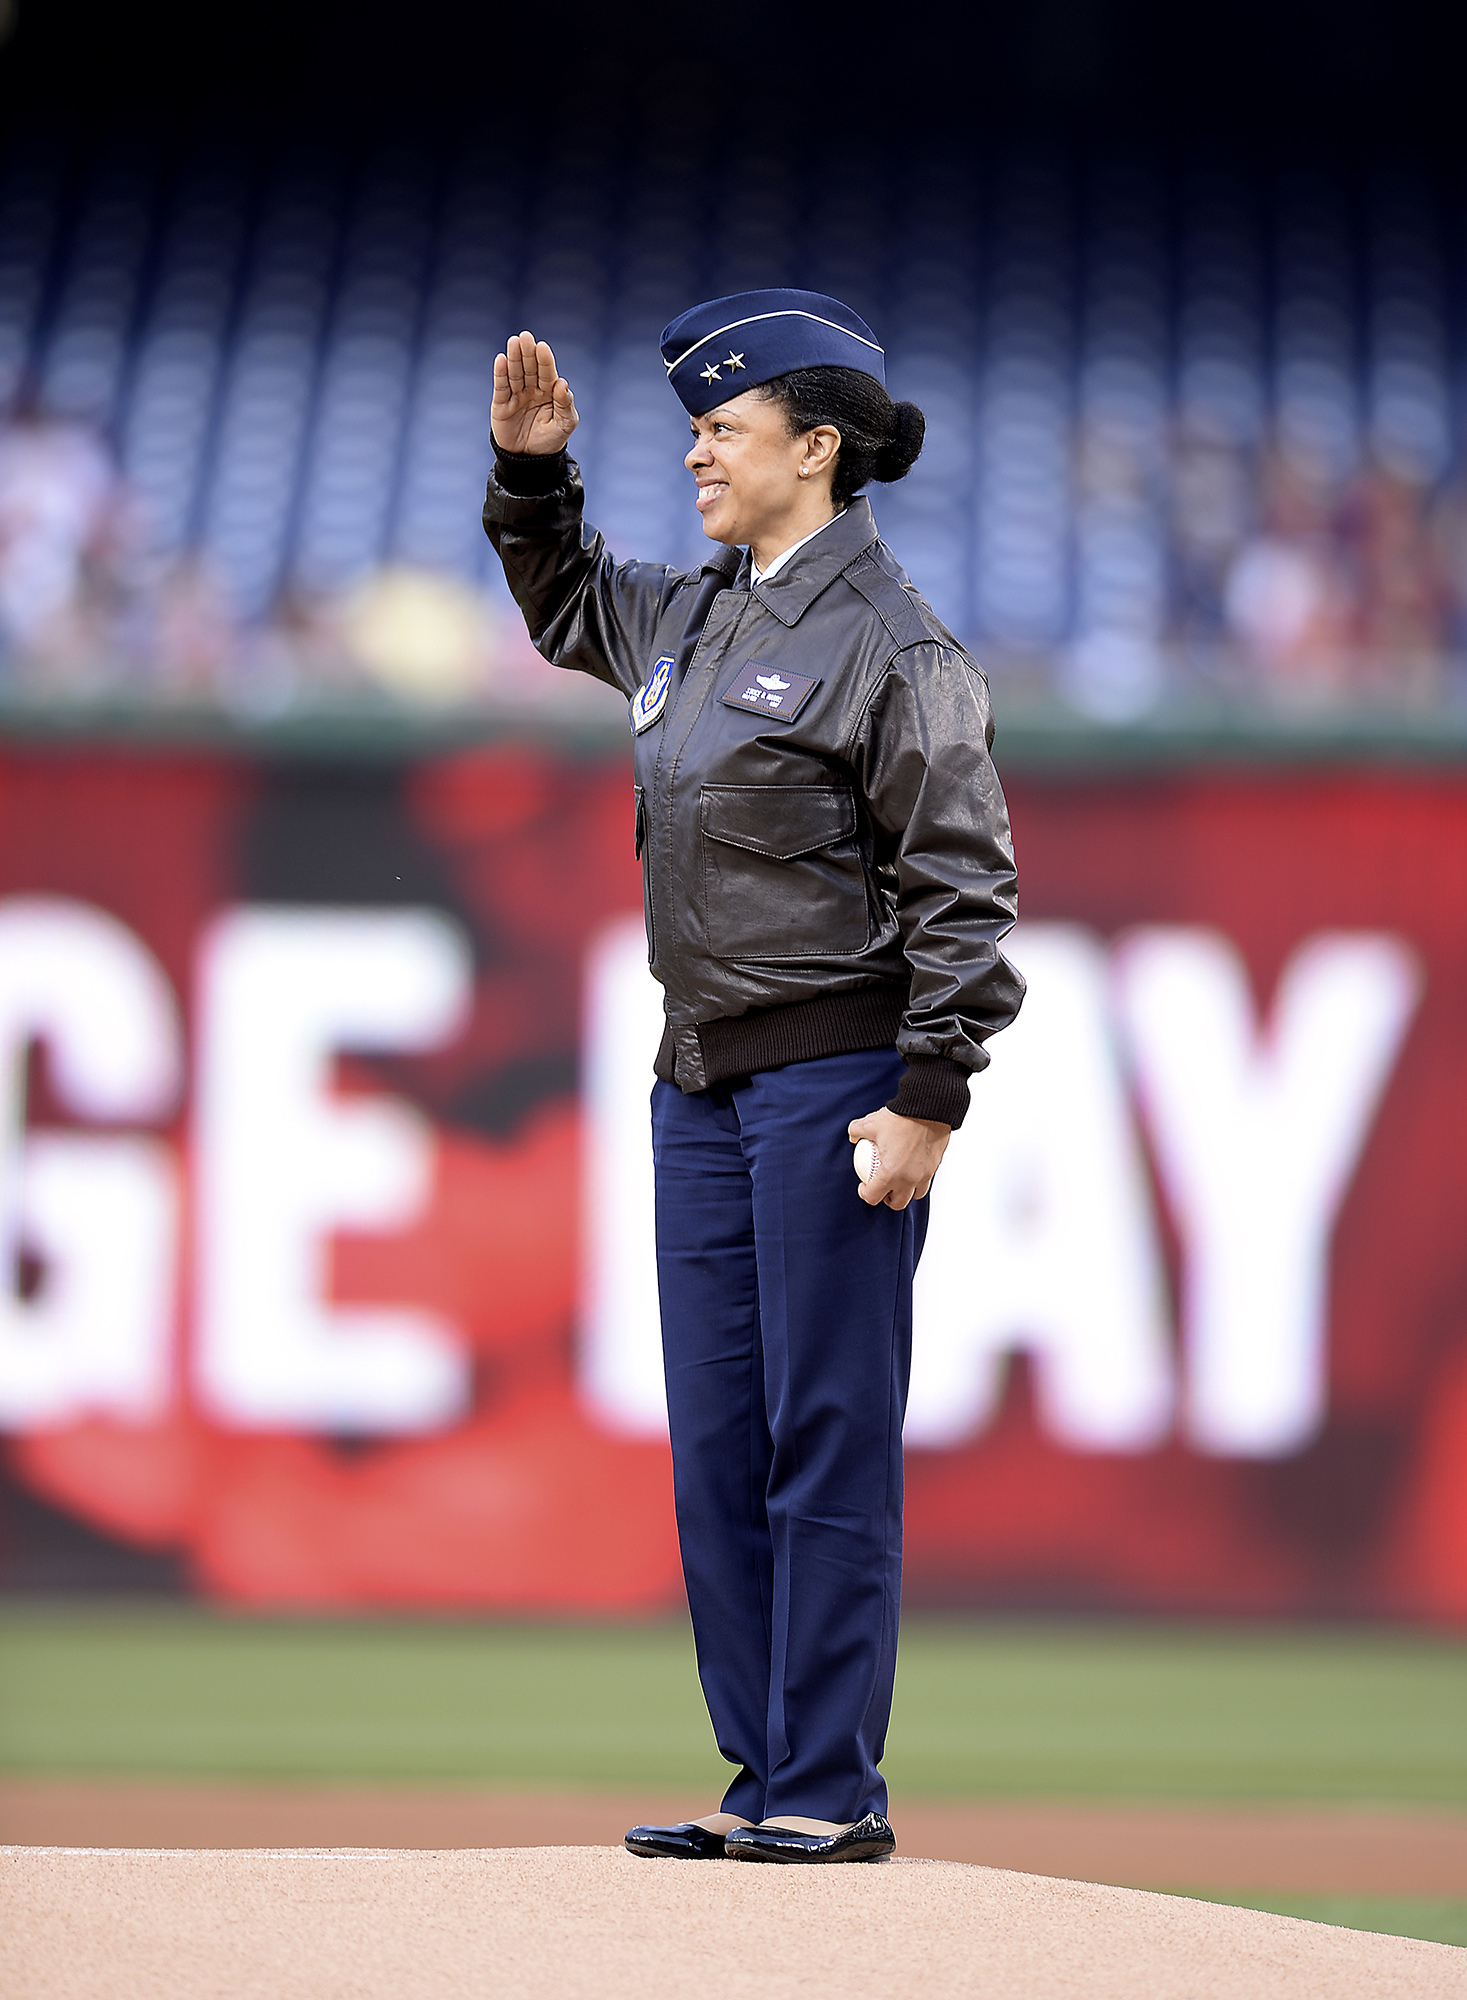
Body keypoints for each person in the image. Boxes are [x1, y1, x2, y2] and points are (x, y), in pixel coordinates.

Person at [483, 289, 1023, 1864]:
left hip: (833, 1083)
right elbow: (568, 600)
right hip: (699, 1080)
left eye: (723, 428)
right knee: (721, 1443)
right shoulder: (697, 614)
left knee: (824, 1429)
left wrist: (930, 1094)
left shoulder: (898, 646)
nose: (698, 455)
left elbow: (963, 888)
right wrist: (532, 475)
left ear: (818, 447)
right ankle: (762, 1775)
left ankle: (828, 1788)